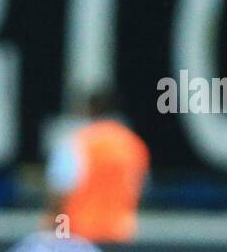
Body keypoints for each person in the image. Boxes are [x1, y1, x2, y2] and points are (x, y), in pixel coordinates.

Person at [45, 90, 149, 243]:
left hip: (80, 237)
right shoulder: (133, 145)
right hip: (121, 236)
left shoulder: (77, 142)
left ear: (90, 110)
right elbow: (138, 189)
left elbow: (60, 192)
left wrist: (55, 232)